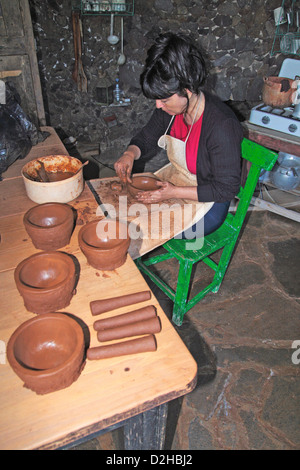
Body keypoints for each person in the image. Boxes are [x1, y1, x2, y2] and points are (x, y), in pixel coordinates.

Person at [114, 32, 243, 237]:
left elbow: (225, 190)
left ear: (187, 89)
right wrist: (130, 153)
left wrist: (173, 192)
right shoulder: (171, 110)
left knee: (136, 228)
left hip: (208, 204)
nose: (158, 105)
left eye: (164, 99)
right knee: (120, 209)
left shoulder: (221, 126)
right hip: (178, 181)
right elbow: (147, 137)